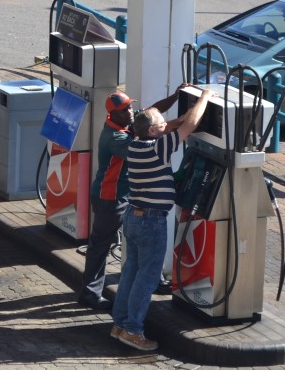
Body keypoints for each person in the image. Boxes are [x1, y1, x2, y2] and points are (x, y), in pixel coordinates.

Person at [110, 87, 216, 352]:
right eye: (161, 125)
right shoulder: (160, 147)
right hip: (151, 221)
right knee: (146, 279)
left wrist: (175, 119)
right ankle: (133, 331)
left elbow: (174, 124)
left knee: (130, 273)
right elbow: (188, 125)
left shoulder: (135, 145)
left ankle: (119, 324)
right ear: (155, 132)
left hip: (133, 218)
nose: (166, 126)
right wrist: (204, 97)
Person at [77, 85, 192, 310]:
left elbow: (152, 112)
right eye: (125, 110)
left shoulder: (124, 123)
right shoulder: (115, 137)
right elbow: (148, 140)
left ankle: (156, 281)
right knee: (100, 246)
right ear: (114, 114)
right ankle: (89, 293)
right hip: (110, 198)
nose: (131, 112)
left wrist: (176, 96)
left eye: (131, 107)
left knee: (142, 238)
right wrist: (179, 124)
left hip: (125, 196)